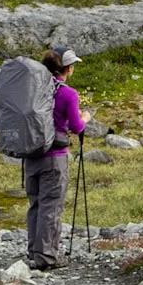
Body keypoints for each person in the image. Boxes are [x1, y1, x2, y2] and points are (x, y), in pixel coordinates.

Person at [23, 48, 85, 270]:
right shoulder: (69, 94)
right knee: (51, 206)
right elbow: (76, 126)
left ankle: (34, 252)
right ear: (68, 68)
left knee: (36, 205)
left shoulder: (33, 89)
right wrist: (86, 118)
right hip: (54, 157)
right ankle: (47, 257)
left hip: (31, 156)